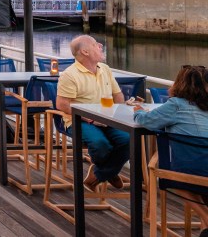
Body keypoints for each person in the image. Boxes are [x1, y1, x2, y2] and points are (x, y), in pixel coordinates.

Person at [133, 64, 208, 233]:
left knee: (175, 180)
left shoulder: (176, 105)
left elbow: (147, 122)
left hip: (190, 171)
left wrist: (138, 111)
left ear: (180, 83)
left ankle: (207, 218)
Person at [56, 35, 128, 191]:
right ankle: (109, 171)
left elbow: (117, 95)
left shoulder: (105, 69)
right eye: (96, 44)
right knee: (100, 144)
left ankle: (101, 173)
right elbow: (61, 104)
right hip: (79, 120)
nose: (100, 46)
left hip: (107, 117)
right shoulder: (70, 74)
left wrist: (122, 114)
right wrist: (88, 118)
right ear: (85, 51)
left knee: (130, 139)